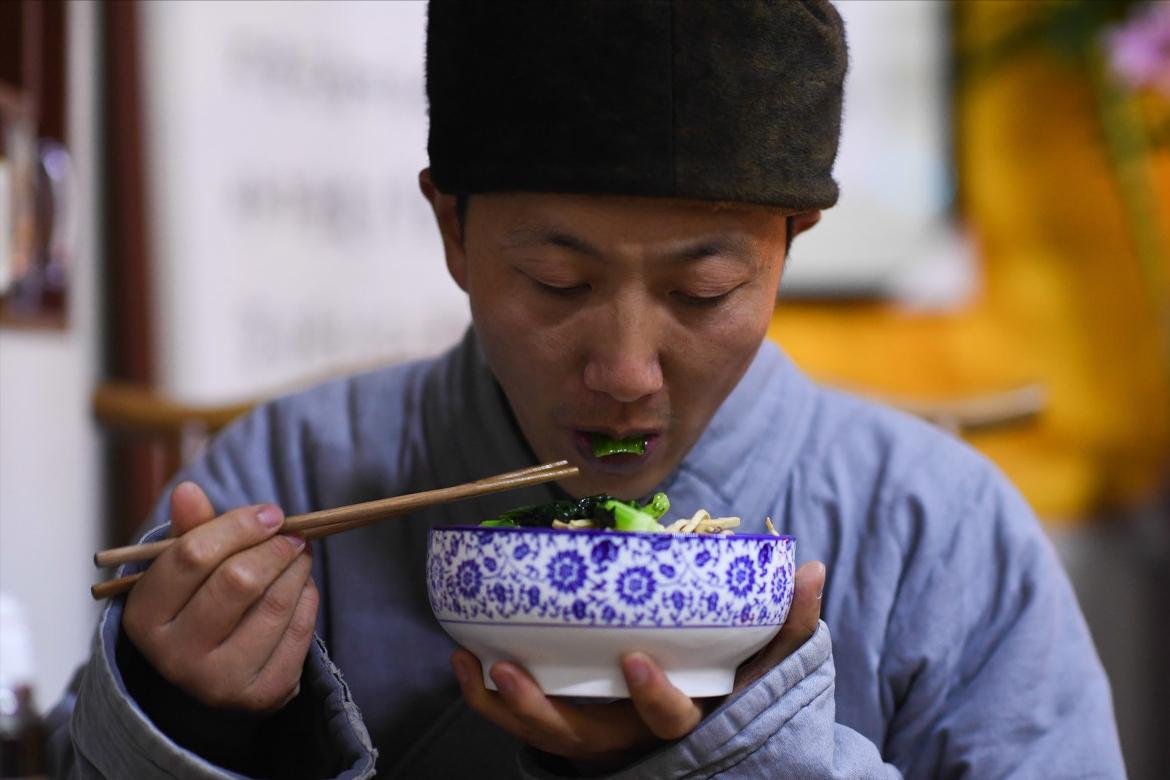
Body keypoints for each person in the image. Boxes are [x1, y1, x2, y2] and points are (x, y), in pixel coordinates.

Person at [47, 1, 1126, 777]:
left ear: (792, 245)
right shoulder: (285, 480)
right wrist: (183, 717)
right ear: (452, 229)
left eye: (703, 291)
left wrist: (746, 757)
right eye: (557, 281)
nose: (625, 371)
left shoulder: (940, 527)